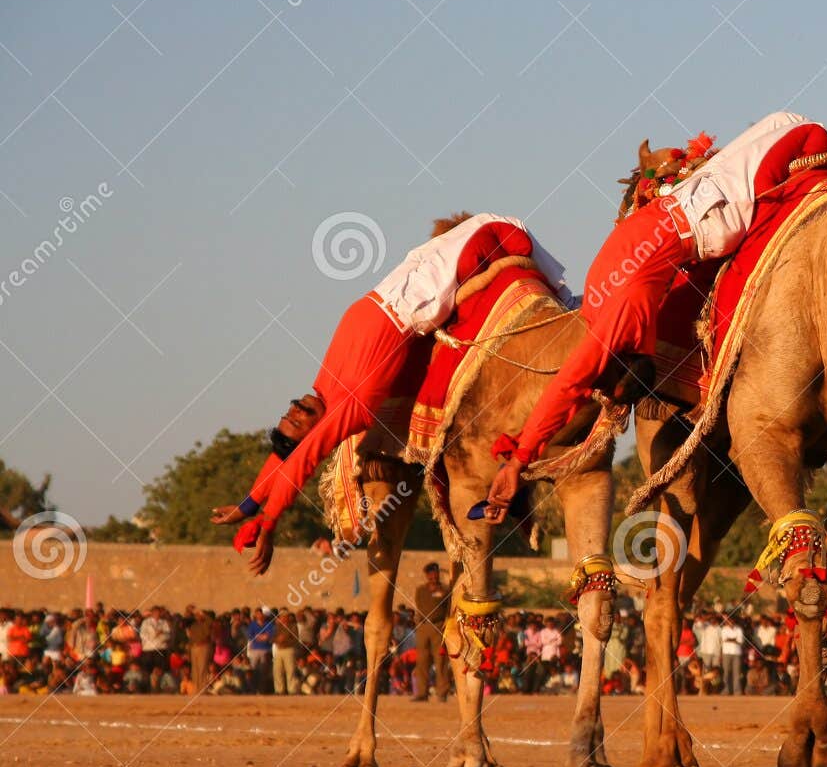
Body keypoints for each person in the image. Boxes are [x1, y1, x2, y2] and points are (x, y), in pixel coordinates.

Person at [481, 112, 827, 520]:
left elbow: (572, 388)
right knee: (809, 135)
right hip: (707, 213)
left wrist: (520, 458)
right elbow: (574, 387)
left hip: (703, 208)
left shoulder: (607, 319)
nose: (598, 388)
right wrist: (520, 457)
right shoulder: (618, 320)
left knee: (792, 122)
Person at [212, 213, 564, 573]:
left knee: (498, 231)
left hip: (408, 271)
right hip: (424, 292)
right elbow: (298, 464)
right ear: (314, 434)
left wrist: (248, 505)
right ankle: (564, 307)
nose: (295, 409)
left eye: (291, 409)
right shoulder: (347, 410)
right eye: (299, 420)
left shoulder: (323, 387)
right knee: (509, 234)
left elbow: (282, 456)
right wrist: (268, 525)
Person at [411, 562, 452, 702]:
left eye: (435, 573)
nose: (433, 576)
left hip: (439, 626)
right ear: (427, 575)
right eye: (430, 573)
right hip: (423, 626)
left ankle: (442, 692)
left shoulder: (445, 590)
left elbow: (448, 608)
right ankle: (422, 692)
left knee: (440, 660)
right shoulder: (421, 590)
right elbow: (419, 605)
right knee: (422, 660)